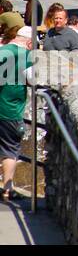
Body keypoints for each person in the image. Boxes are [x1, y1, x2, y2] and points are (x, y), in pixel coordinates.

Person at [0, 16, 33, 201]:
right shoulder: (24, 56)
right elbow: (32, 79)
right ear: (29, 42)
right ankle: (7, 188)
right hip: (9, 109)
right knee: (10, 150)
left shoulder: (2, 49)